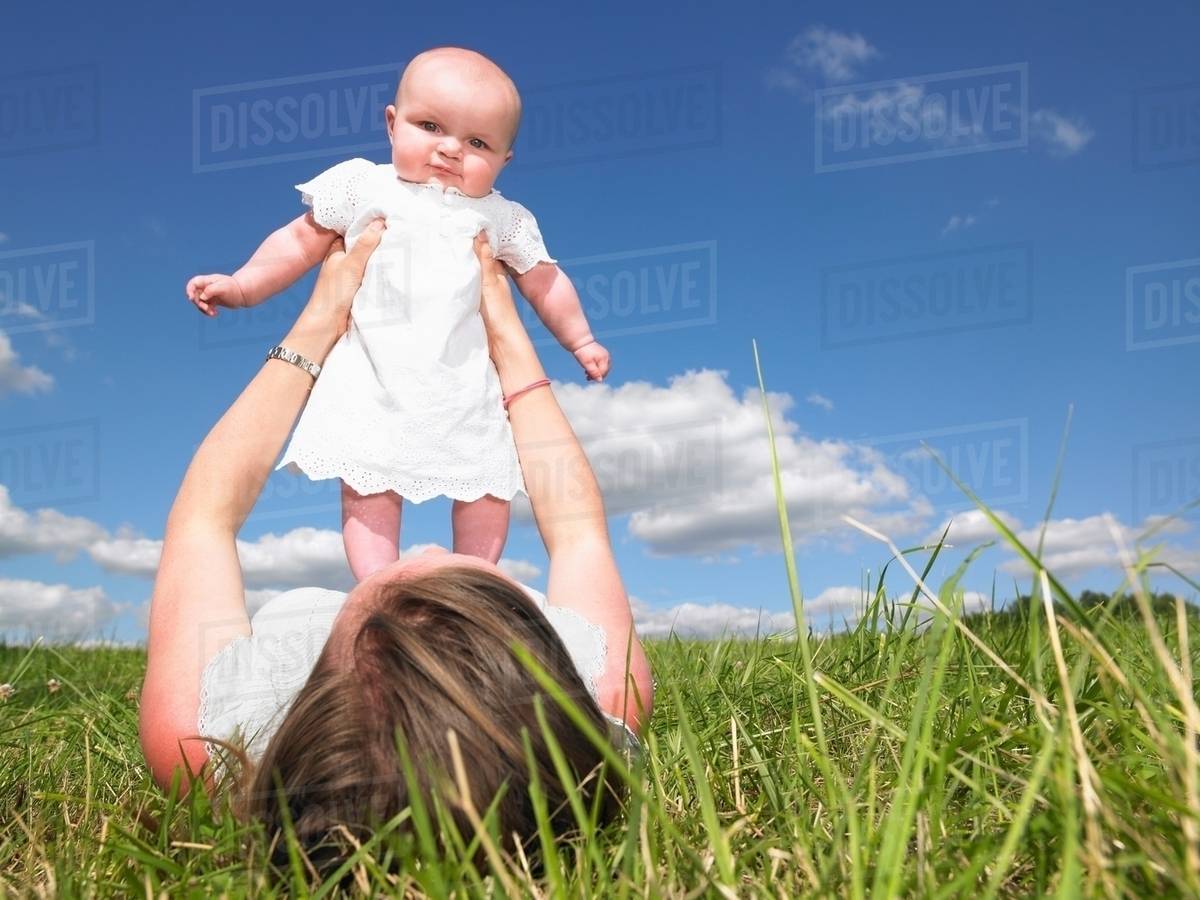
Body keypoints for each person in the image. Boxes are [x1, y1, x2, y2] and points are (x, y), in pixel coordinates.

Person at [141, 221, 652, 872]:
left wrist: (318, 323)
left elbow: (203, 517)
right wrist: (508, 341)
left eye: (395, 583)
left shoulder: (209, 739)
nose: (427, 552)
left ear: (320, 668)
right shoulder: (594, 705)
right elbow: (577, 528)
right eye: (474, 590)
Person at [185, 47, 610, 580]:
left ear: (504, 161)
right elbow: (297, 242)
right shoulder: (366, 186)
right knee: (368, 479)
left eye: (478, 142)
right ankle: (376, 582)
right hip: (373, 375)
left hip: (466, 387)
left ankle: (473, 581)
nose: (451, 149)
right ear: (392, 123)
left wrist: (581, 340)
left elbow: (545, 280)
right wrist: (243, 284)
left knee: (488, 481)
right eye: (430, 125)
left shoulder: (501, 216)